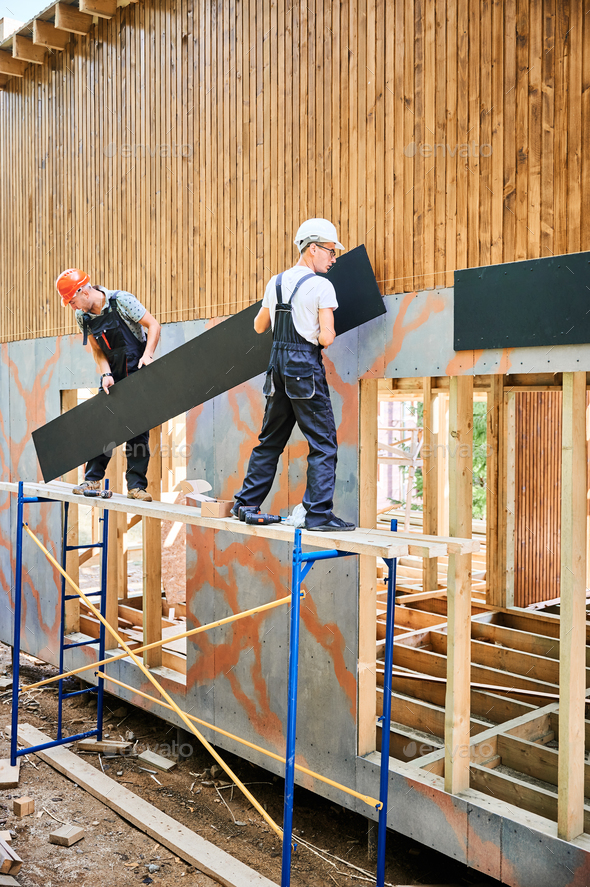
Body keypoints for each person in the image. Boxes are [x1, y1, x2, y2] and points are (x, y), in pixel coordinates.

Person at [232, 219, 355, 531]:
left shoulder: (275, 282)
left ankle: (245, 504)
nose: (333, 258)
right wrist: (322, 327)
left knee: (270, 440)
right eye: (330, 251)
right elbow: (326, 337)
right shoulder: (321, 286)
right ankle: (318, 515)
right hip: (304, 369)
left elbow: (259, 326)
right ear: (312, 248)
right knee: (323, 444)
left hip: (277, 369)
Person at [56, 268, 161, 501]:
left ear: (84, 292)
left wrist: (148, 355)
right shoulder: (82, 316)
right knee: (102, 425)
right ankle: (92, 479)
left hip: (137, 367)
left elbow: (154, 325)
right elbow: (96, 349)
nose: (72, 307)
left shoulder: (121, 300)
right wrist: (105, 373)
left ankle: (136, 487)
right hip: (112, 373)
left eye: (72, 301)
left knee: (137, 428)